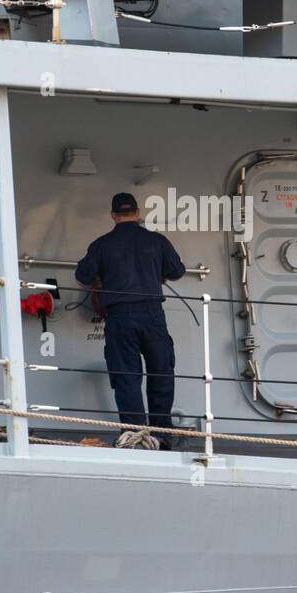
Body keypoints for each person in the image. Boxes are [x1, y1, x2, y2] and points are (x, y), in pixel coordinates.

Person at [75, 193, 187, 450]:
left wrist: (103, 279)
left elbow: (82, 276)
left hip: (120, 316)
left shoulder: (102, 244)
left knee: (126, 376)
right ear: (137, 213)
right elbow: (177, 272)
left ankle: (135, 435)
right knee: (161, 372)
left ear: (113, 215)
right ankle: (161, 433)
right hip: (152, 314)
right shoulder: (156, 240)